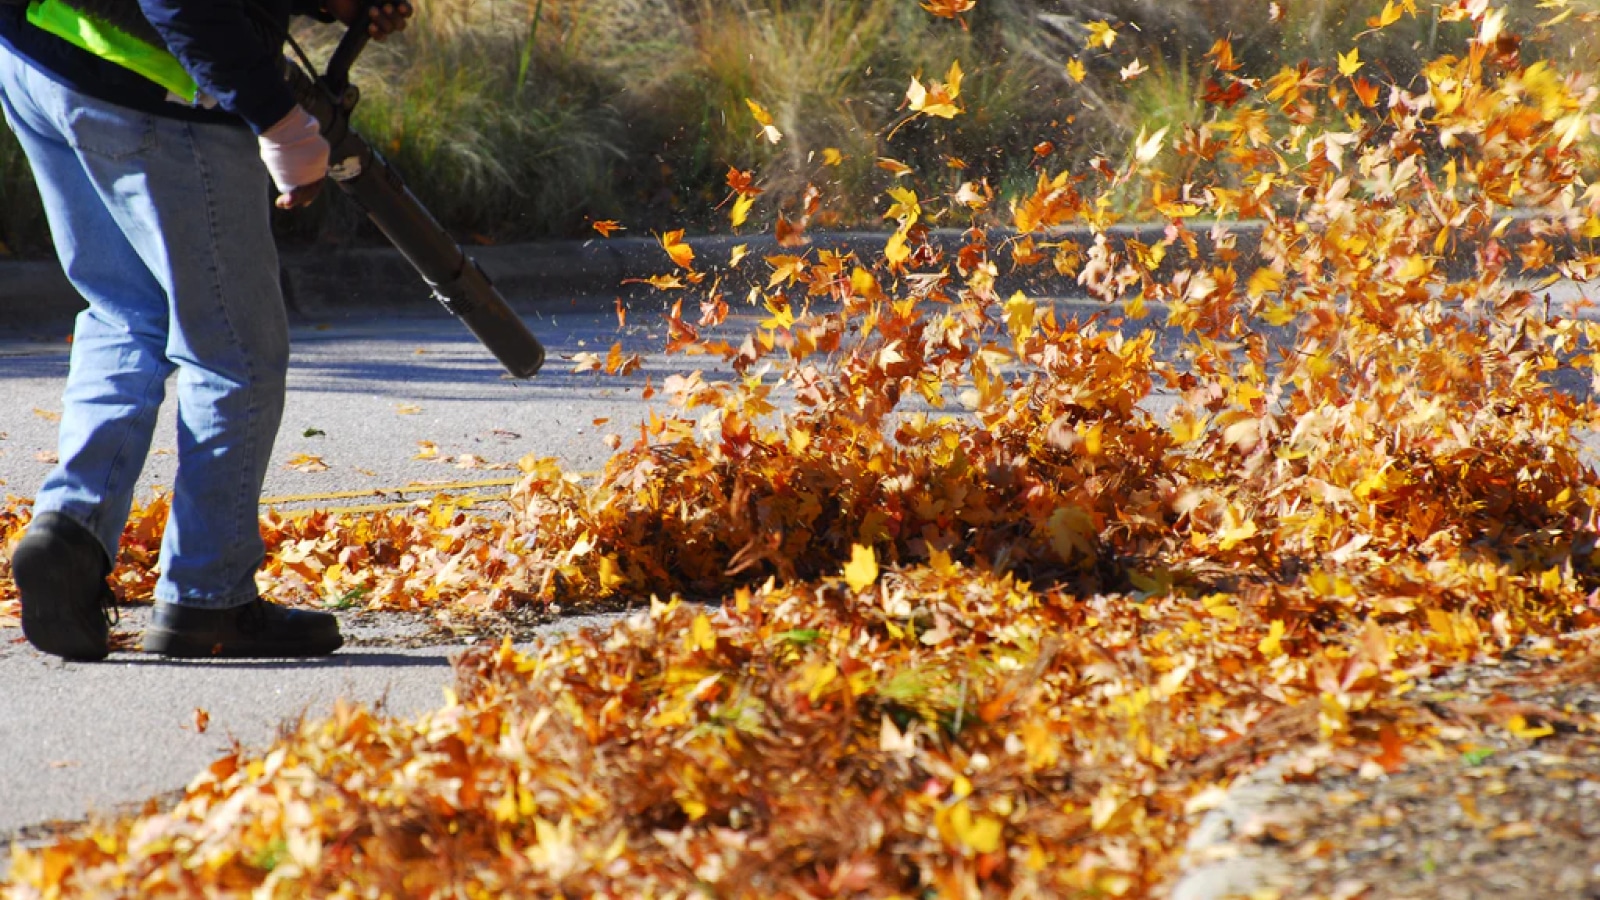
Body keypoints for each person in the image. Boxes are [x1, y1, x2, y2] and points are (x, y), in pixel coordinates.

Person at [1, 0, 411, 661]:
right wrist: (278, 121)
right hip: (152, 84)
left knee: (125, 311)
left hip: (42, 50)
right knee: (234, 352)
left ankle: (69, 532)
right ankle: (208, 598)